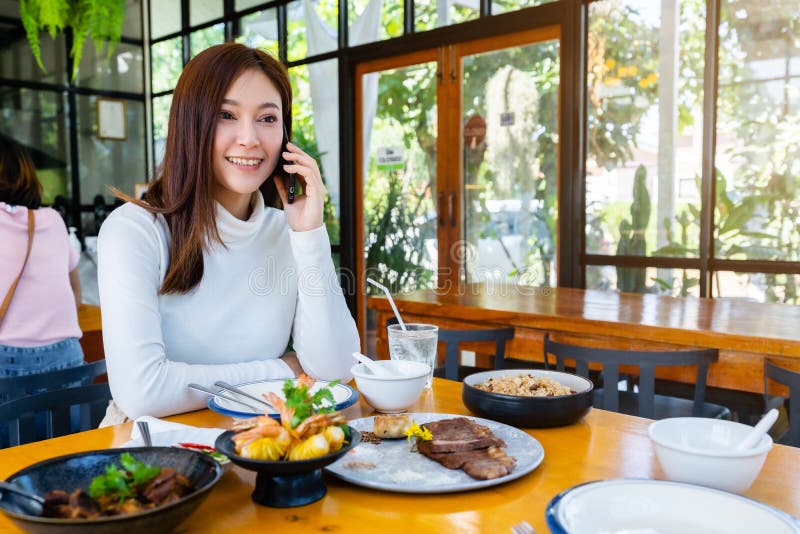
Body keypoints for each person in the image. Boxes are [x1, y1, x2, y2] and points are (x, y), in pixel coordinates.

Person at [97, 43, 359, 422]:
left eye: (268, 119)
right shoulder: (134, 232)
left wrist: (310, 234)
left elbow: (335, 368)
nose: (249, 138)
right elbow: (143, 393)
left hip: (261, 445)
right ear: (191, 123)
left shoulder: (286, 233)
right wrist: (284, 369)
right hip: (157, 457)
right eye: (226, 114)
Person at [0, 134, 84, 394]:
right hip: (66, 359)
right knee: (71, 437)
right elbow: (76, 296)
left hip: (6, 363)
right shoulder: (53, 220)